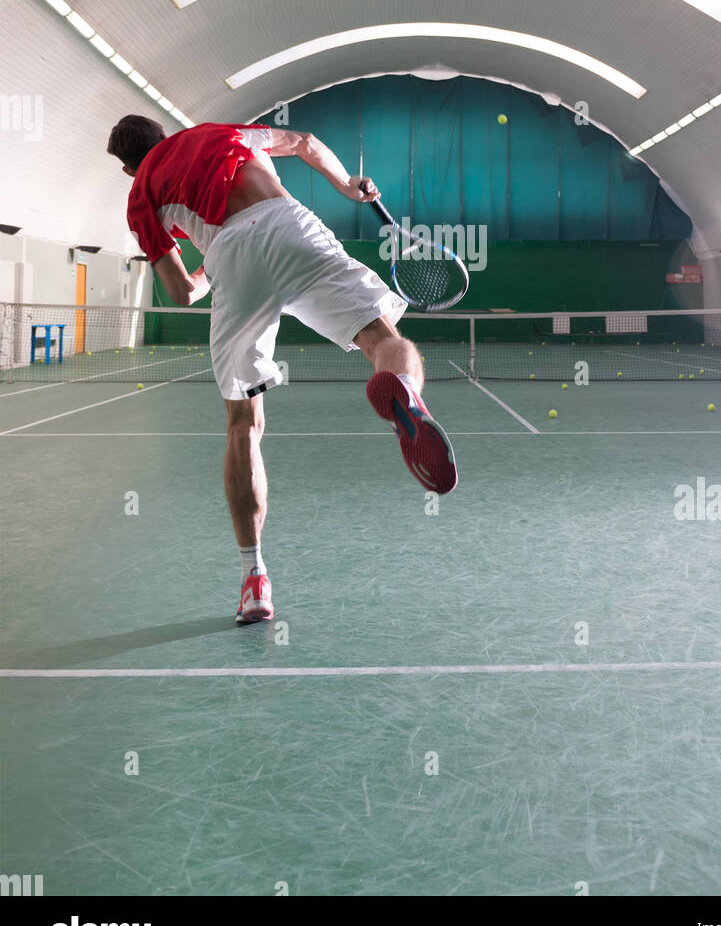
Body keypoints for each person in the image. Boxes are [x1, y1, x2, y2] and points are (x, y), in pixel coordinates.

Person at [107, 115, 458, 624]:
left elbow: (181, 292)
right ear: (164, 135)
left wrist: (213, 270)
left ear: (126, 168)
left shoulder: (141, 195)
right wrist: (346, 185)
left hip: (229, 255)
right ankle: (405, 392)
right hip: (291, 225)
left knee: (243, 424)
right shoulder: (219, 132)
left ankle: (255, 582)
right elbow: (306, 142)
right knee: (385, 340)